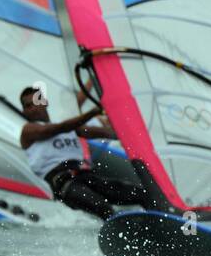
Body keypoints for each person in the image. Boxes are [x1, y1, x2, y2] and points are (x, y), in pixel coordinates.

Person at [18, 84, 175, 220]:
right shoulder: (29, 131)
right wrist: (93, 112)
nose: (32, 108)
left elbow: (101, 132)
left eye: (35, 102)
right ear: (24, 111)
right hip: (65, 186)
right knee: (103, 207)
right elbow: (59, 128)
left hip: (87, 178)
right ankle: (124, 241)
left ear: (44, 102)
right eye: (27, 106)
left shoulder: (71, 129)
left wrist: (130, 133)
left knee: (142, 194)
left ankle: (166, 222)